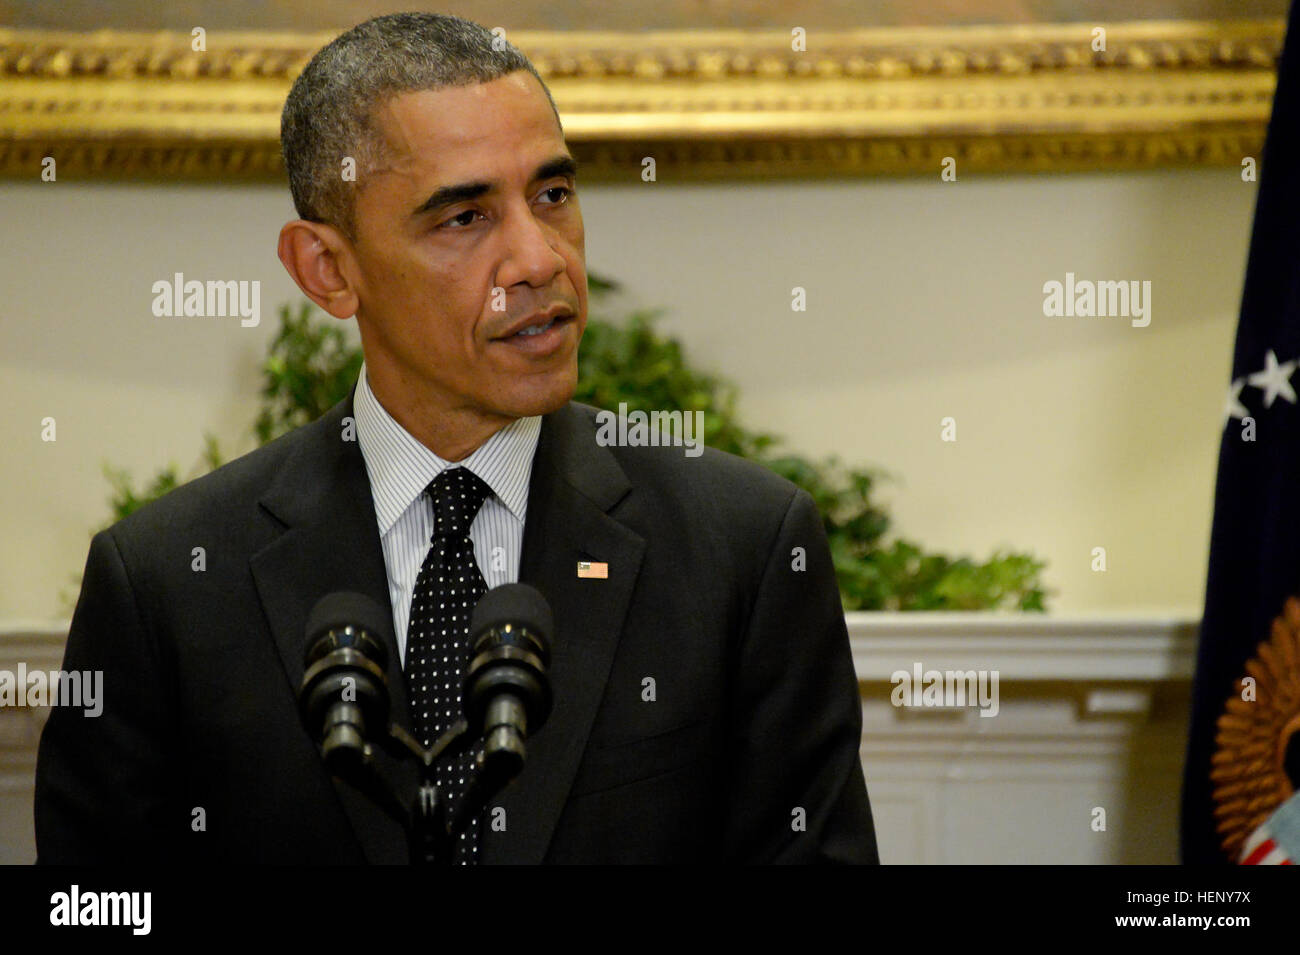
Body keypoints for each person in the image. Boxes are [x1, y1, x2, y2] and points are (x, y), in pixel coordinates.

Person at [34, 12, 878, 864]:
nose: (539, 259)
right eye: (465, 218)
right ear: (328, 270)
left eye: (552, 195)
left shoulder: (746, 549)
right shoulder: (165, 587)